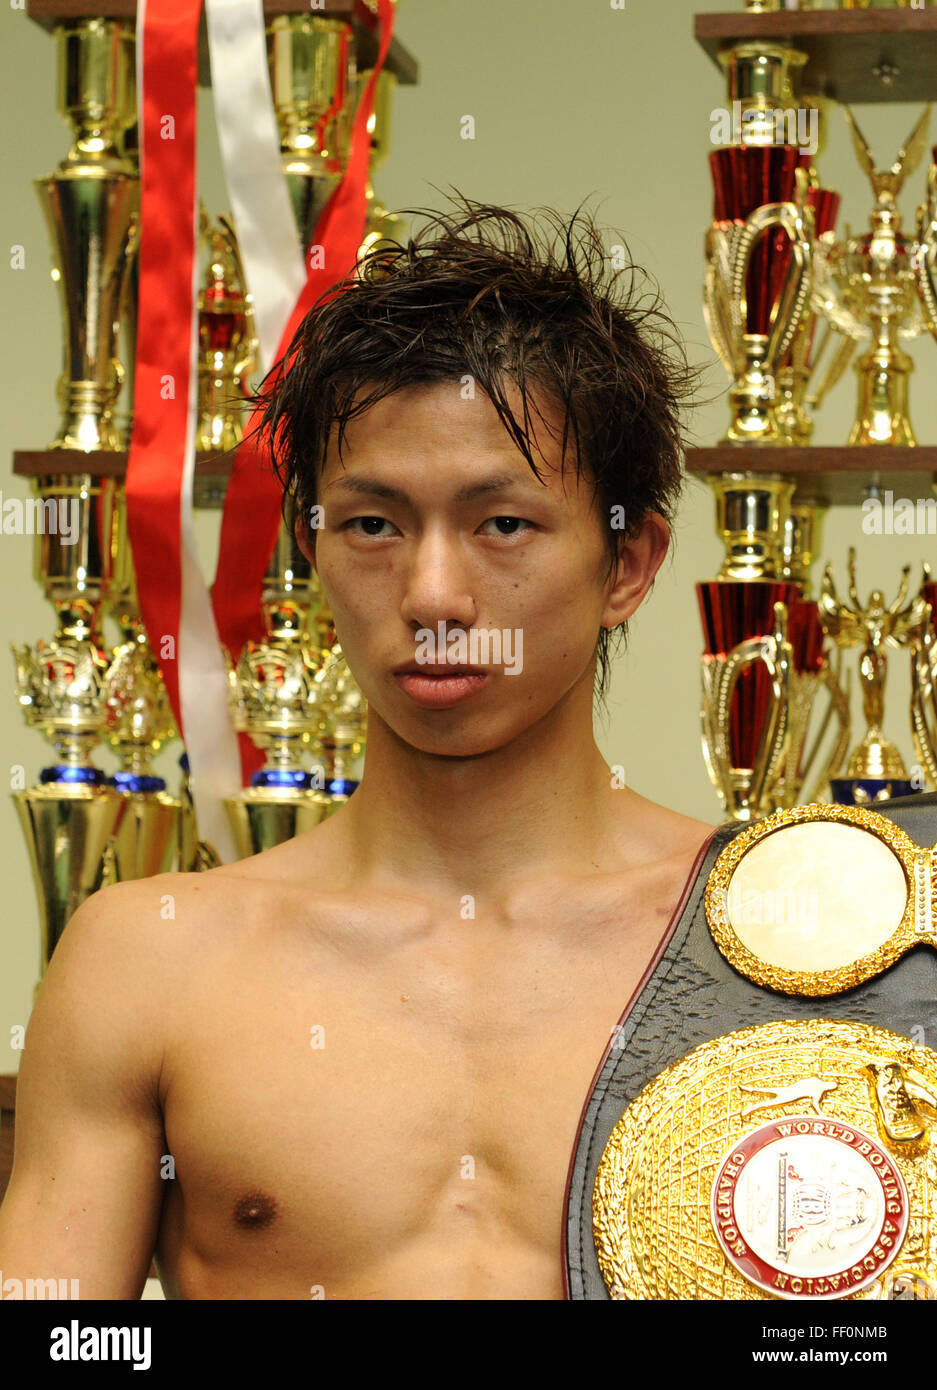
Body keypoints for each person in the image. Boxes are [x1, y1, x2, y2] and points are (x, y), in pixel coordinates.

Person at [0, 196, 716, 1300]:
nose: (433, 592)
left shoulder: (762, 939)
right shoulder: (147, 962)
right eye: (373, 523)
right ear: (312, 549)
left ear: (627, 563)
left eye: (503, 523)